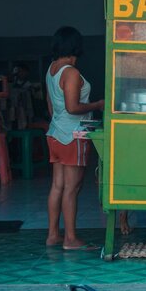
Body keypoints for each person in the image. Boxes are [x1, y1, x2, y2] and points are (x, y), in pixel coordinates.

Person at [45, 26, 104, 250]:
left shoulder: (51, 70)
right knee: (72, 188)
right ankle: (70, 239)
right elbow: (72, 107)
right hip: (73, 136)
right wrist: (97, 105)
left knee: (57, 186)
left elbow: (52, 108)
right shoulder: (71, 73)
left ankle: (53, 235)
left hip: (55, 134)